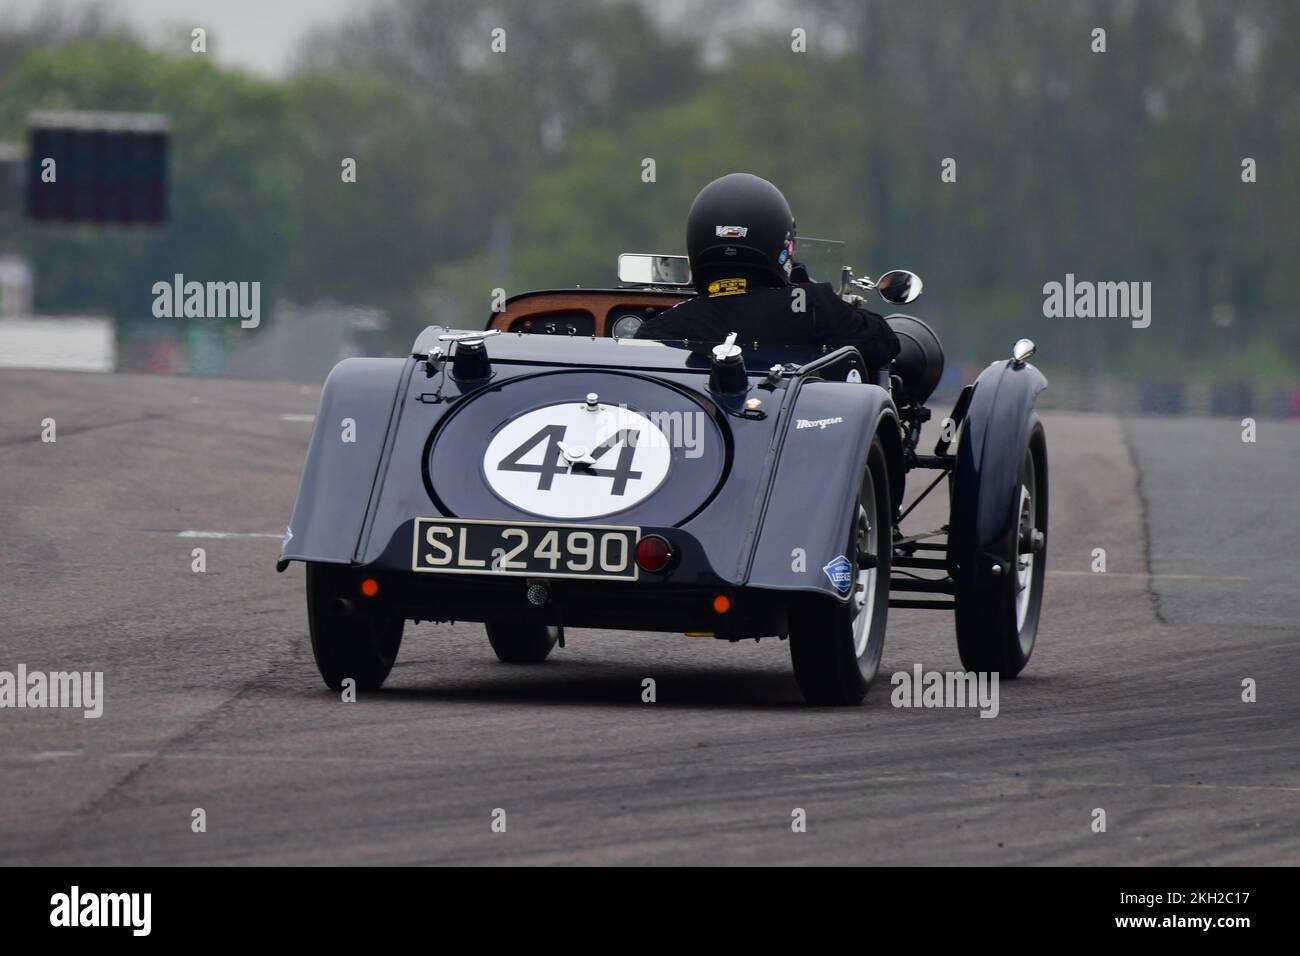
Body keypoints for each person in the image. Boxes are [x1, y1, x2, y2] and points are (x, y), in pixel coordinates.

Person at [635, 173, 900, 371]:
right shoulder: (814, 306)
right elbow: (884, 344)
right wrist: (801, 286)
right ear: (782, 242)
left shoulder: (660, 330)